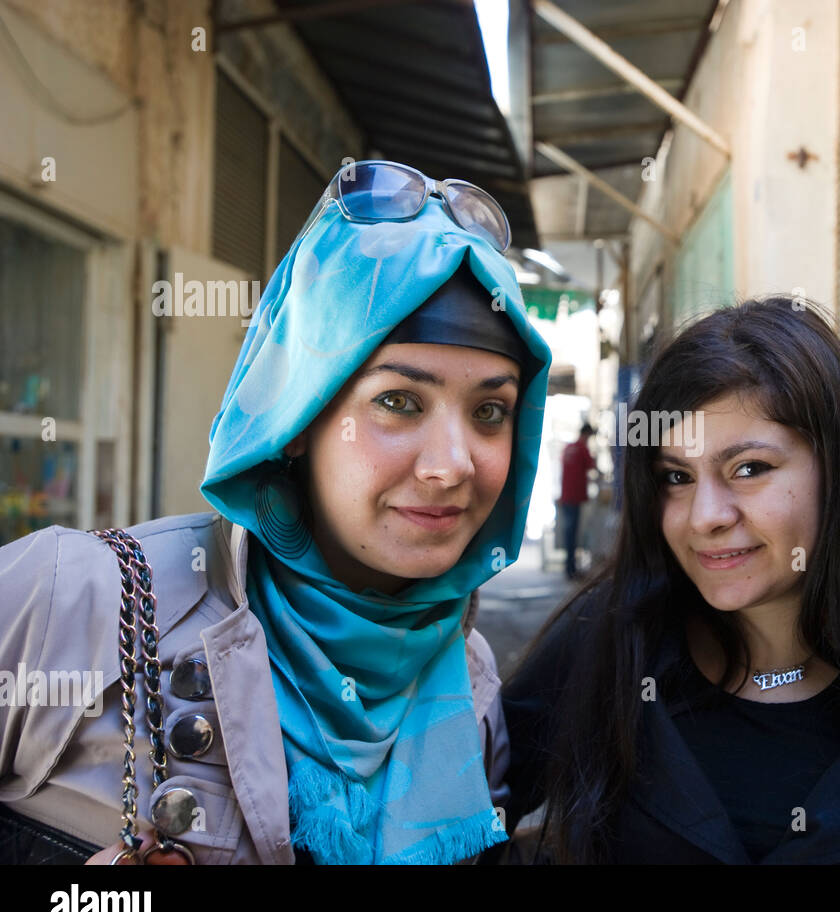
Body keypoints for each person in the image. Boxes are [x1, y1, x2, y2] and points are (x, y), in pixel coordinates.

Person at [0, 160, 550, 864]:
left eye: (490, 412)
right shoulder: (74, 601)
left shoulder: (466, 676)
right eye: (399, 401)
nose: (453, 464)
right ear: (298, 416)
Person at [501, 297, 840, 864]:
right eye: (676, 477)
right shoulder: (610, 640)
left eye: (749, 469)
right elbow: (461, 828)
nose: (706, 516)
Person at [558, 422, 598, 579]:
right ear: (587, 434)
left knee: (569, 533)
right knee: (572, 534)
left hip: (566, 496)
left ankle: (569, 568)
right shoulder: (582, 448)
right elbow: (592, 467)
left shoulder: (569, 447)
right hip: (575, 496)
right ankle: (571, 569)